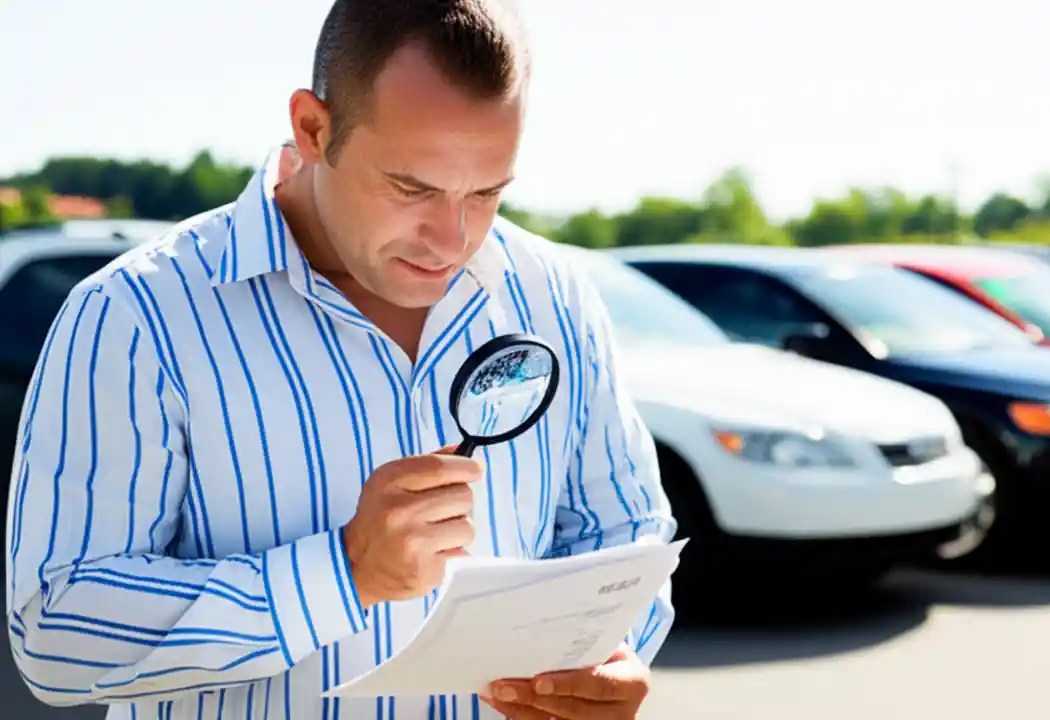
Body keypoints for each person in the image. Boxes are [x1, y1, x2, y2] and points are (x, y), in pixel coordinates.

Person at [4, 2, 676, 719]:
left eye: (486, 192)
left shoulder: (557, 294)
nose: (452, 239)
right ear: (313, 128)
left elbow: (623, 533)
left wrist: (610, 658)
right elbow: (55, 636)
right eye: (411, 188)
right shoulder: (135, 315)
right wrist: (342, 574)